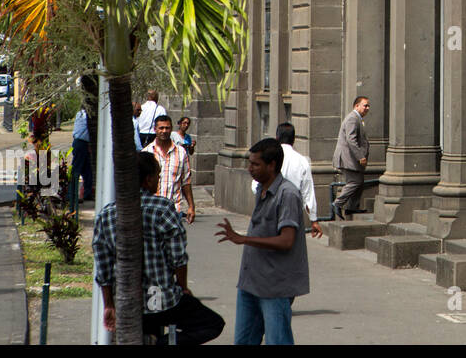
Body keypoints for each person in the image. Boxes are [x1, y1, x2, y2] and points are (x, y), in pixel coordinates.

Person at [93, 152, 224, 344]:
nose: (158, 181)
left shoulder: (106, 215)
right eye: (157, 176)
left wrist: (109, 305)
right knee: (212, 323)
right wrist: (182, 286)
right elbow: (178, 257)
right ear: (148, 180)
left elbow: (103, 268)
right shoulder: (163, 208)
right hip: (163, 302)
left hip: (126, 303)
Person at [217, 138, 309, 345]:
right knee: (244, 340)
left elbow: (286, 240)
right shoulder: (261, 189)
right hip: (251, 281)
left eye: (255, 164)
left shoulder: (287, 194)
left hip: (274, 286)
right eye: (250, 163)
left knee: (277, 340)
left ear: (272, 165)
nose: (250, 169)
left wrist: (244, 239)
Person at [251, 122, 323, 237]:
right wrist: (314, 220)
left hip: (268, 211)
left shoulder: (269, 159)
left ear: (276, 137)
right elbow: (308, 193)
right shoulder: (302, 161)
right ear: (293, 139)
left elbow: (255, 186)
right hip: (292, 213)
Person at [144, 114, 195, 224]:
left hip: (173, 211)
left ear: (171, 129)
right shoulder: (147, 152)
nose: (164, 131)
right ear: (155, 129)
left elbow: (186, 181)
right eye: (161, 128)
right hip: (150, 210)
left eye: (167, 128)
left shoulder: (181, 153)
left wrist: (191, 206)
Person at [331, 96, 370, 219]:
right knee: (355, 182)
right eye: (365, 105)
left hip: (351, 158)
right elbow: (351, 139)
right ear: (356, 106)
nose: (367, 108)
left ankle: (352, 207)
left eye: (368, 106)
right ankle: (338, 203)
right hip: (349, 158)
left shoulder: (357, 119)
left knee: (359, 182)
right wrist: (360, 156)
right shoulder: (353, 118)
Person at [71, 105, 94, 202]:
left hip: (81, 143)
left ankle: (87, 193)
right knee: (77, 169)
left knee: (87, 170)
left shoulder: (79, 114)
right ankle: (71, 194)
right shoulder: (86, 116)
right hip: (81, 143)